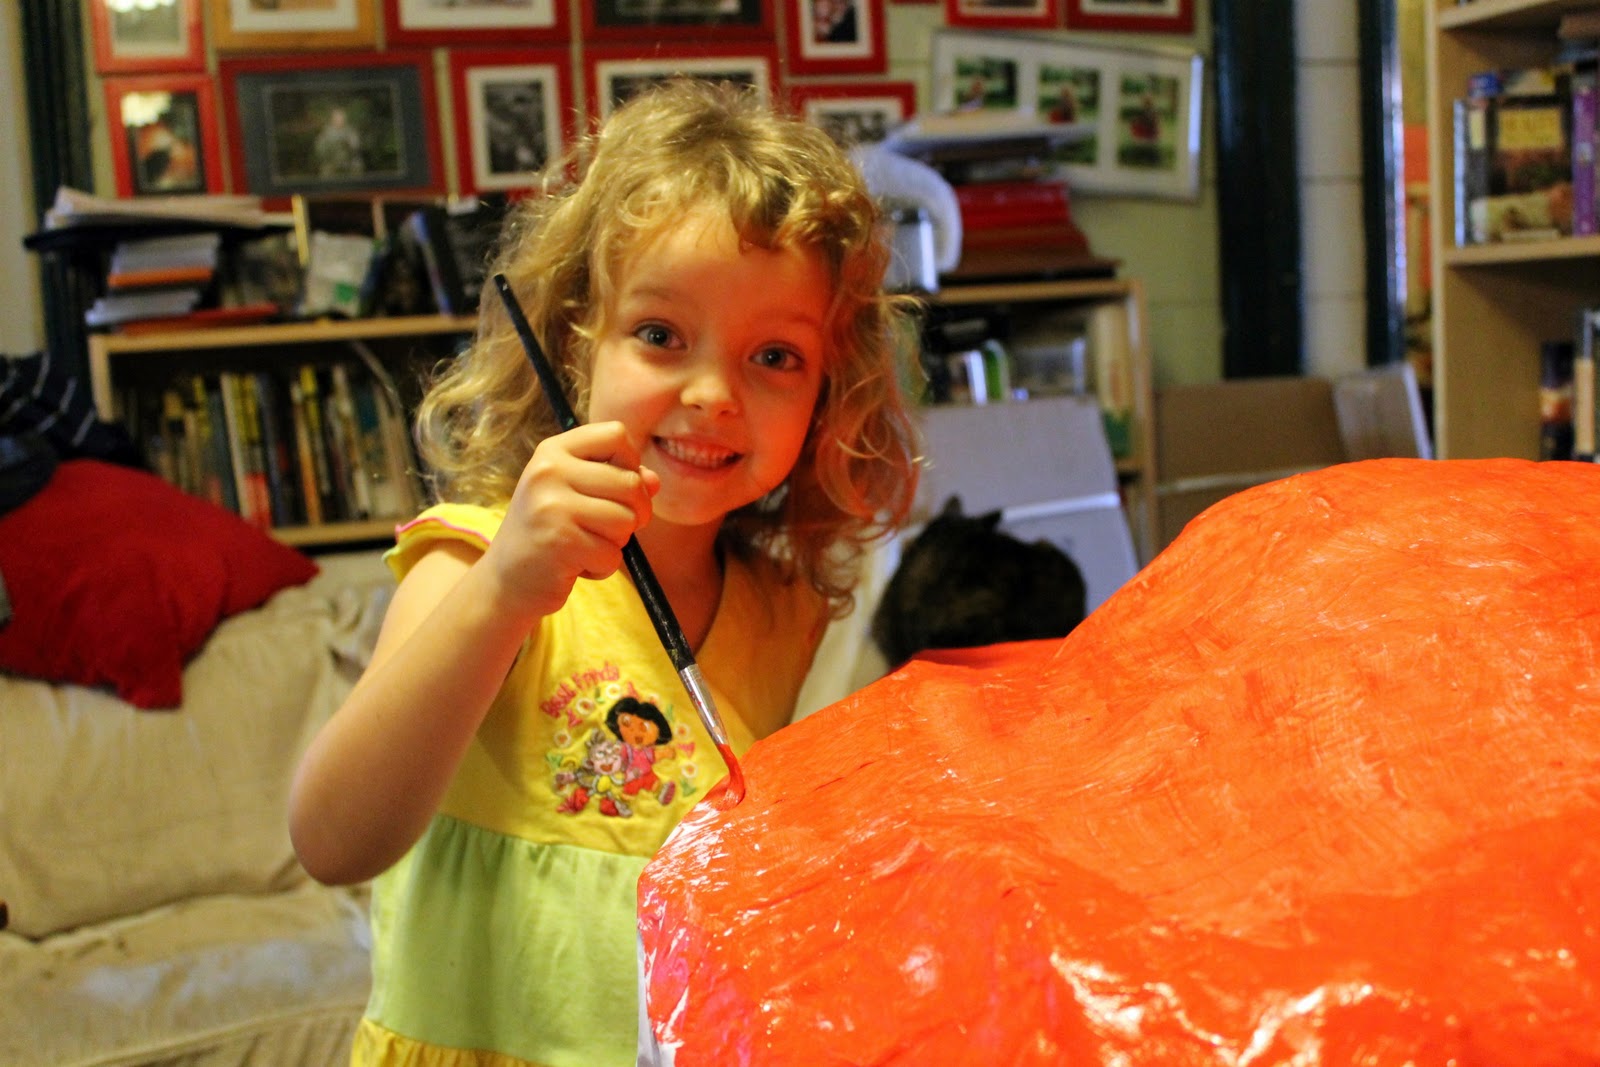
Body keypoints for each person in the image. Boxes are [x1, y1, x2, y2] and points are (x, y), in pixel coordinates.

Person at [288, 78, 922, 1067]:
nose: (712, 395)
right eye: (661, 335)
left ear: (827, 393)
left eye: (773, 356)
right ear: (579, 341)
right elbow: (332, 837)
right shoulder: (470, 561)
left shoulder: (789, 608)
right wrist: (506, 588)